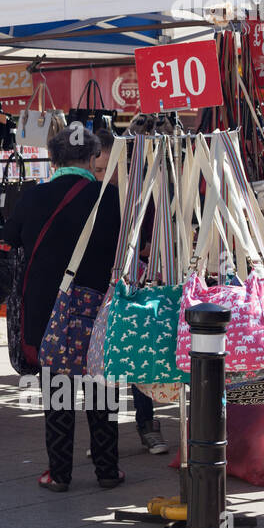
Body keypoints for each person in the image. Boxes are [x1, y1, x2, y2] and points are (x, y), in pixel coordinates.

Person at [5, 126, 123, 491]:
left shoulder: (33, 197)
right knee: (101, 387)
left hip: (48, 309)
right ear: (92, 158)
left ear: (53, 159)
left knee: (58, 391)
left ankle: (59, 473)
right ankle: (107, 470)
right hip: (99, 306)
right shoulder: (112, 198)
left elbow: (11, 239)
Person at [94, 125, 168, 456]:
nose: (101, 175)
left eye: (106, 168)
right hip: (99, 284)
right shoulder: (93, 197)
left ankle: (147, 426)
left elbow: (154, 240)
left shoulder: (141, 195)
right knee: (102, 360)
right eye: (97, 169)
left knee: (140, 353)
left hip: (136, 284)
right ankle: (104, 434)